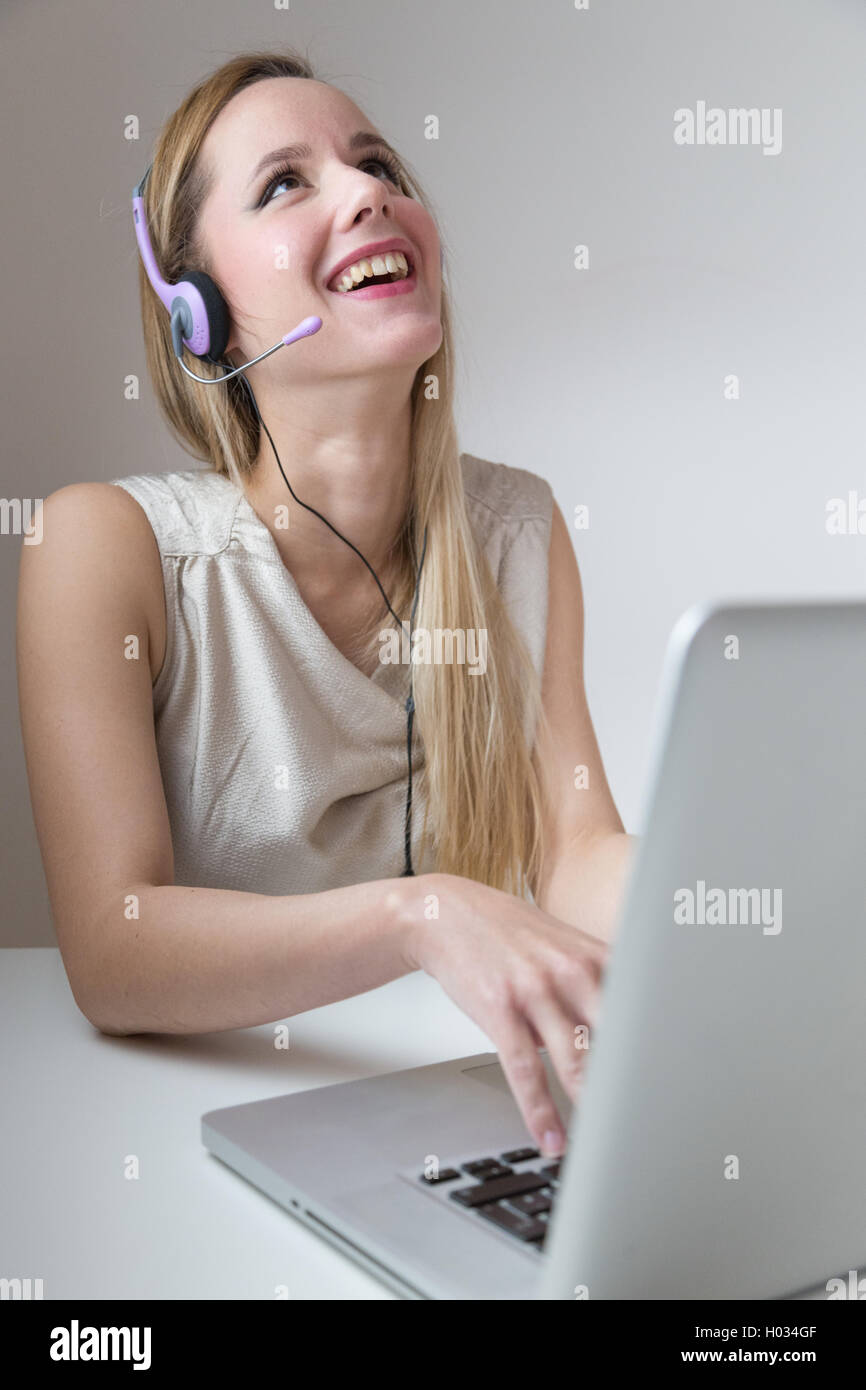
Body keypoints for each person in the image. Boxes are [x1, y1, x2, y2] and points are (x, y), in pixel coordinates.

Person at [16, 49, 634, 1158]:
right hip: (189, 1128)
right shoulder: (102, 547)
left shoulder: (517, 531)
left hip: (449, 1115)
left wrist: (743, 900)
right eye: (283, 184)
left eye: (375, 163)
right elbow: (112, 950)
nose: (369, 194)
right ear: (199, 317)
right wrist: (422, 912)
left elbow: (576, 850)